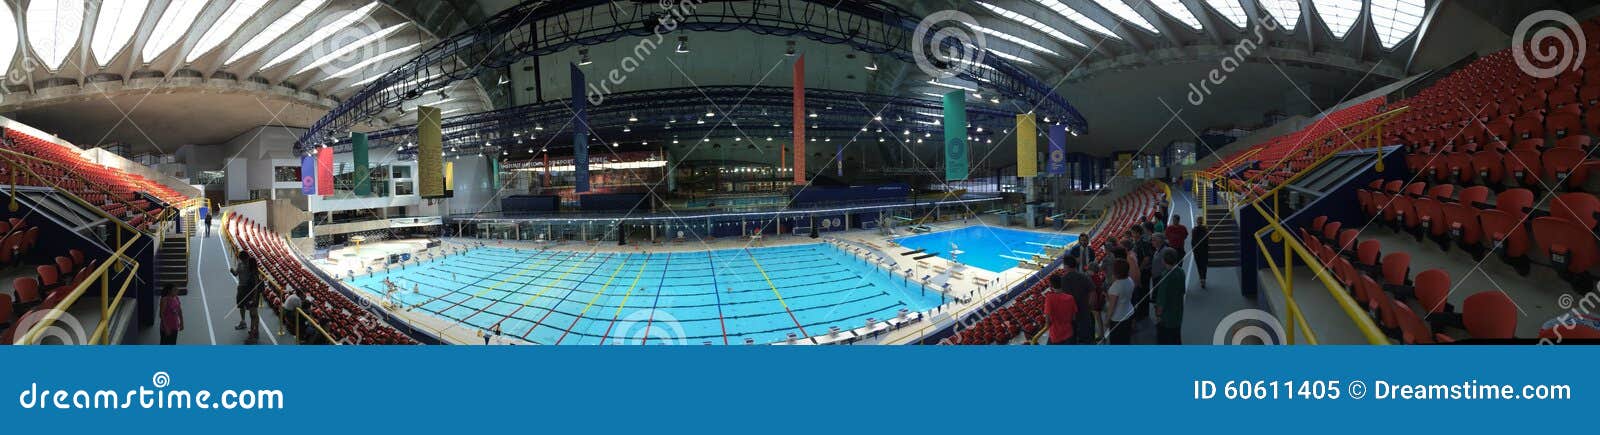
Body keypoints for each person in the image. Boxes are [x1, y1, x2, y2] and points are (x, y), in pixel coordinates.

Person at [1153, 249, 1186, 344]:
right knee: (1176, 337)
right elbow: (1183, 290)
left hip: (1166, 317)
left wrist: (1158, 315)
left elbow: (1161, 299)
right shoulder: (1181, 271)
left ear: (1164, 261)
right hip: (1178, 312)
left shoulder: (1165, 276)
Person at [231, 251, 262, 343]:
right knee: (254, 315)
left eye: (247, 261)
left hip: (252, 296)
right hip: (250, 294)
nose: (246, 263)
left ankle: (253, 336)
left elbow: (255, 287)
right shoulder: (253, 272)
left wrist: (253, 298)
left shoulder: (253, 274)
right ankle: (255, 332)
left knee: (253, 315)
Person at [1104, 259, 1136, 344]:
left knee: (1116, 342)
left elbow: (1112, 307)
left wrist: (1107, 320)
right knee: (1125, 339)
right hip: (1128, 312)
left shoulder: (1116, 286)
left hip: (1118, 318)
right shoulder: (1130, 280)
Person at [1042, 277, 1078, 345]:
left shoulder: (1049, 298)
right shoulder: (1070, 298)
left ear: (1051, 286)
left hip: (1056, 335)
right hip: (1069, 332)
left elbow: (1047, 320)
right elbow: (1074, 317)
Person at [1192, 223, 1211, 288]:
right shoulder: (1205, 230)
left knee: (1200, 266)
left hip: (1199, 252)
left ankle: (1202, 278)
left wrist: (1194, 250)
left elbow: (1193, 242)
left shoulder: (1195, 230)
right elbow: (1207, 241)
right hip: (1203, 252)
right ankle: (1203, 279)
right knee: (1203, 266)